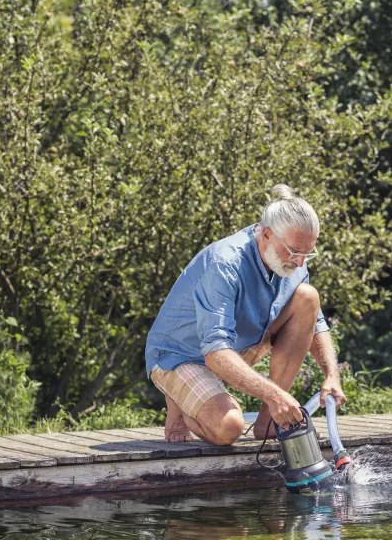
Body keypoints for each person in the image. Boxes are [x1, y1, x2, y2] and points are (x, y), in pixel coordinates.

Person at [144, 185, 346, 446]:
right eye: (294, 252)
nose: (299, 262)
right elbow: (216, 352)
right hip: (179, 356)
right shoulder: (224, 263)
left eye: (307, 253)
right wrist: (274, 395)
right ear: (266, 235)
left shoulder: (294, 259)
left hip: (235, 348)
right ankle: (181, 403)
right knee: (229, 427)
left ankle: (270, 423)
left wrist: (331, 375)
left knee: (308, 297)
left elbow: (315, 323)